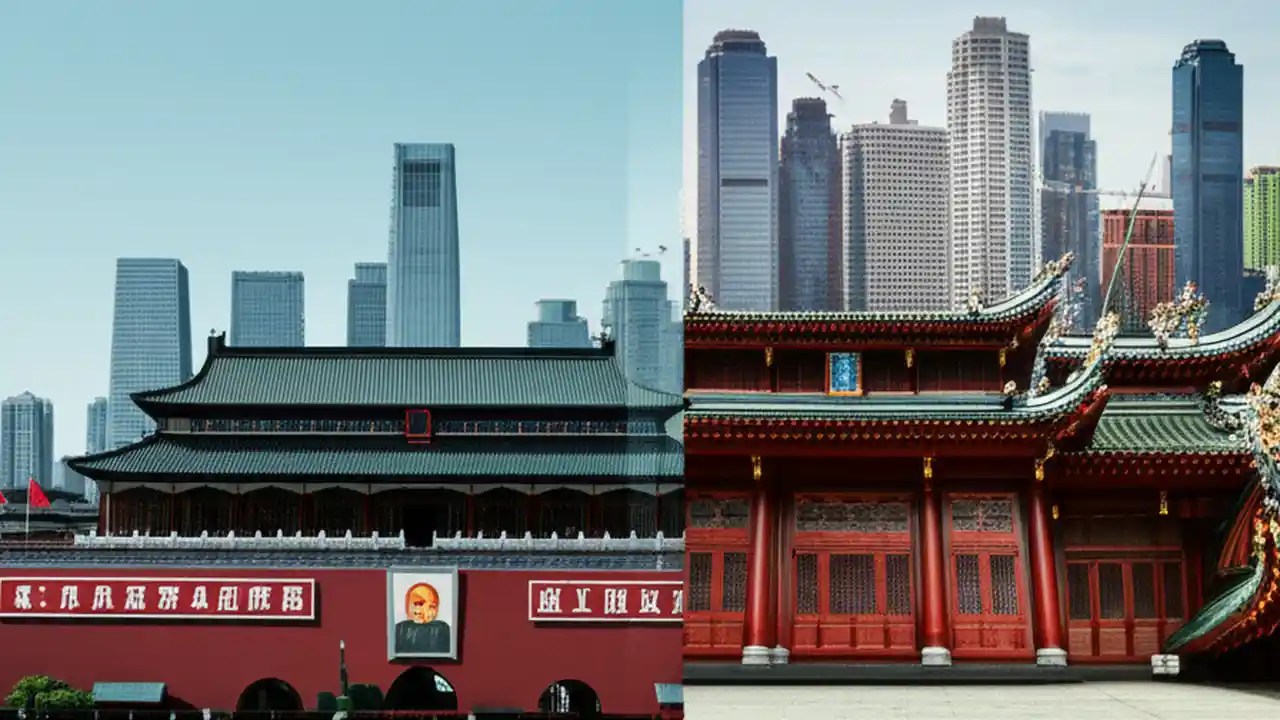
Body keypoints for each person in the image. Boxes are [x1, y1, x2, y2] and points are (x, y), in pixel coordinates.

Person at [394, 582, 451, 654]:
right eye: (416, 604)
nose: (416, 608)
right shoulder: (400, 628)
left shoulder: (441, 628)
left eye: (432, 606)